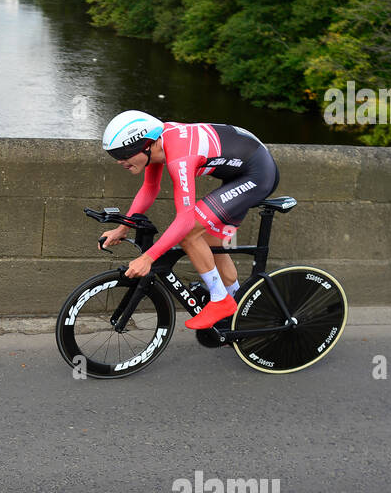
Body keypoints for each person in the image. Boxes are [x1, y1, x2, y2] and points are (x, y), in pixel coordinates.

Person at [98, 110, 281, 329]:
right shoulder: (159, 142)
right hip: (239, 172)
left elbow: (184, 221)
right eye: (114, 155)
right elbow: (149, 189)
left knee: (189, 233)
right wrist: (122, 228)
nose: (120, 161)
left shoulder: (179, 156)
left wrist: (148, 258)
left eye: (124, 153)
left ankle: (221, 300)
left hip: (257, 174)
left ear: (146, 144)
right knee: (213, 246)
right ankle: (241, 312)